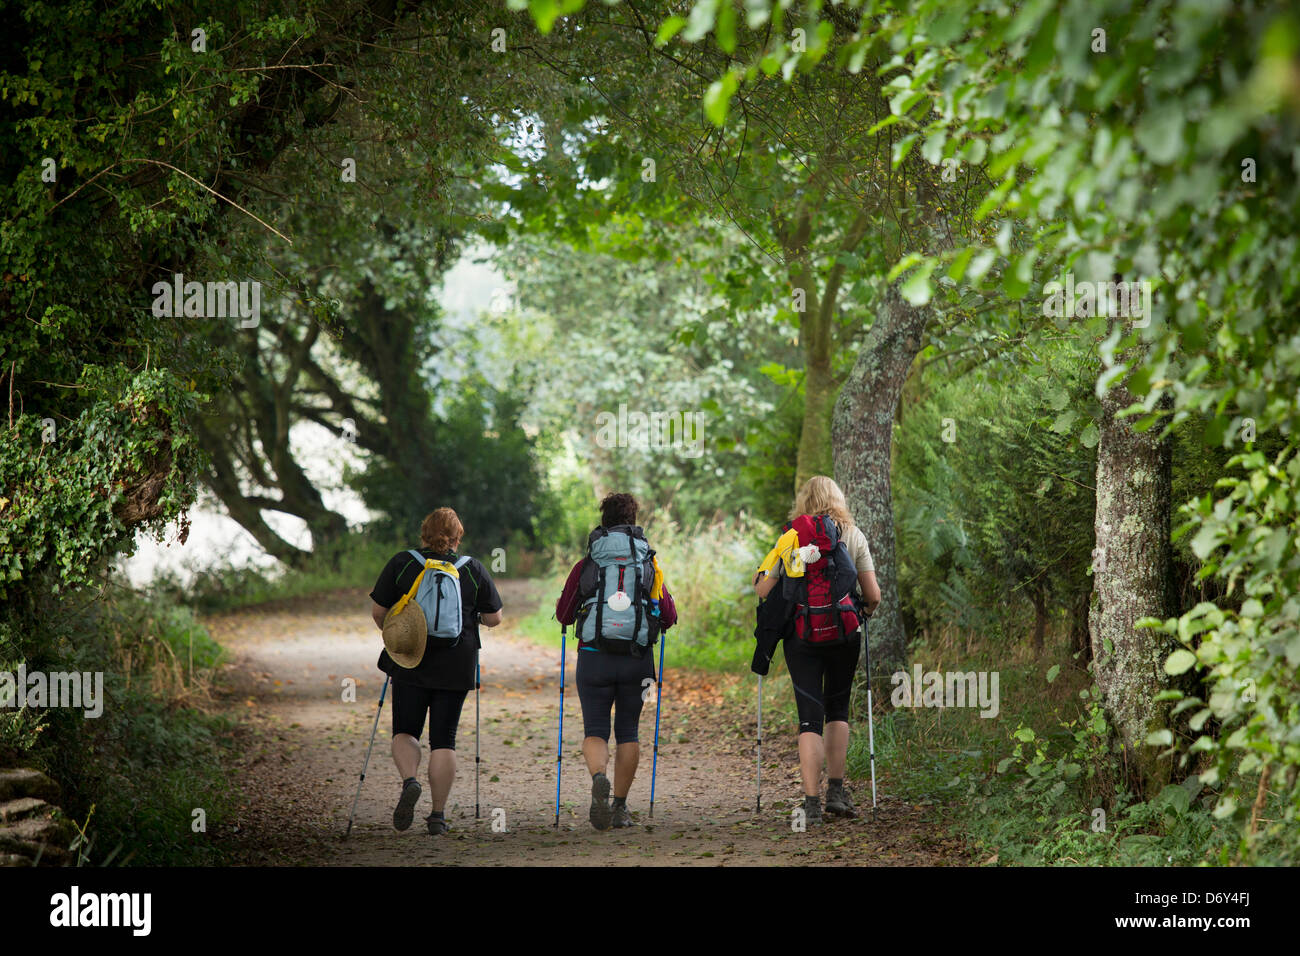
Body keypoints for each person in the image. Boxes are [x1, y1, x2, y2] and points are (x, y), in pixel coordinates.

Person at [753, 476, 881, 825]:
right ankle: (836, 794)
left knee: (809, 716)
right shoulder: (853, 535)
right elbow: (873, 595)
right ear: (839, 499)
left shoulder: (790, 537)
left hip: (802, 636)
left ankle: (810, 803)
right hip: (844, 634)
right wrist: (863, 614)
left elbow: (764, 590)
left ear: (803, 502)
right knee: (838, 708)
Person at [369, 507, 502, 836]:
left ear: (424, 533)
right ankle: (438, 817)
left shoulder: (402, 563)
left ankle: (410, 781)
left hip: (411, 659)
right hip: (457, 663)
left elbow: (378, 611)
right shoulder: (472, 569)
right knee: (444, 740)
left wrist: (399, 635)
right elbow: (494, 617)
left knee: (405, 730)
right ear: (458, 537)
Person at [555, 493, 677, 830]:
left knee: (595, 729)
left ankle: (599, 778)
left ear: (604, 521)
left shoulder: (588, 564)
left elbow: (564, 615)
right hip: (638, 663)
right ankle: (620, 808)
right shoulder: (649, 564)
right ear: (634, 522)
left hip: (594, 659)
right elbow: (669, 616)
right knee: (628, 731)